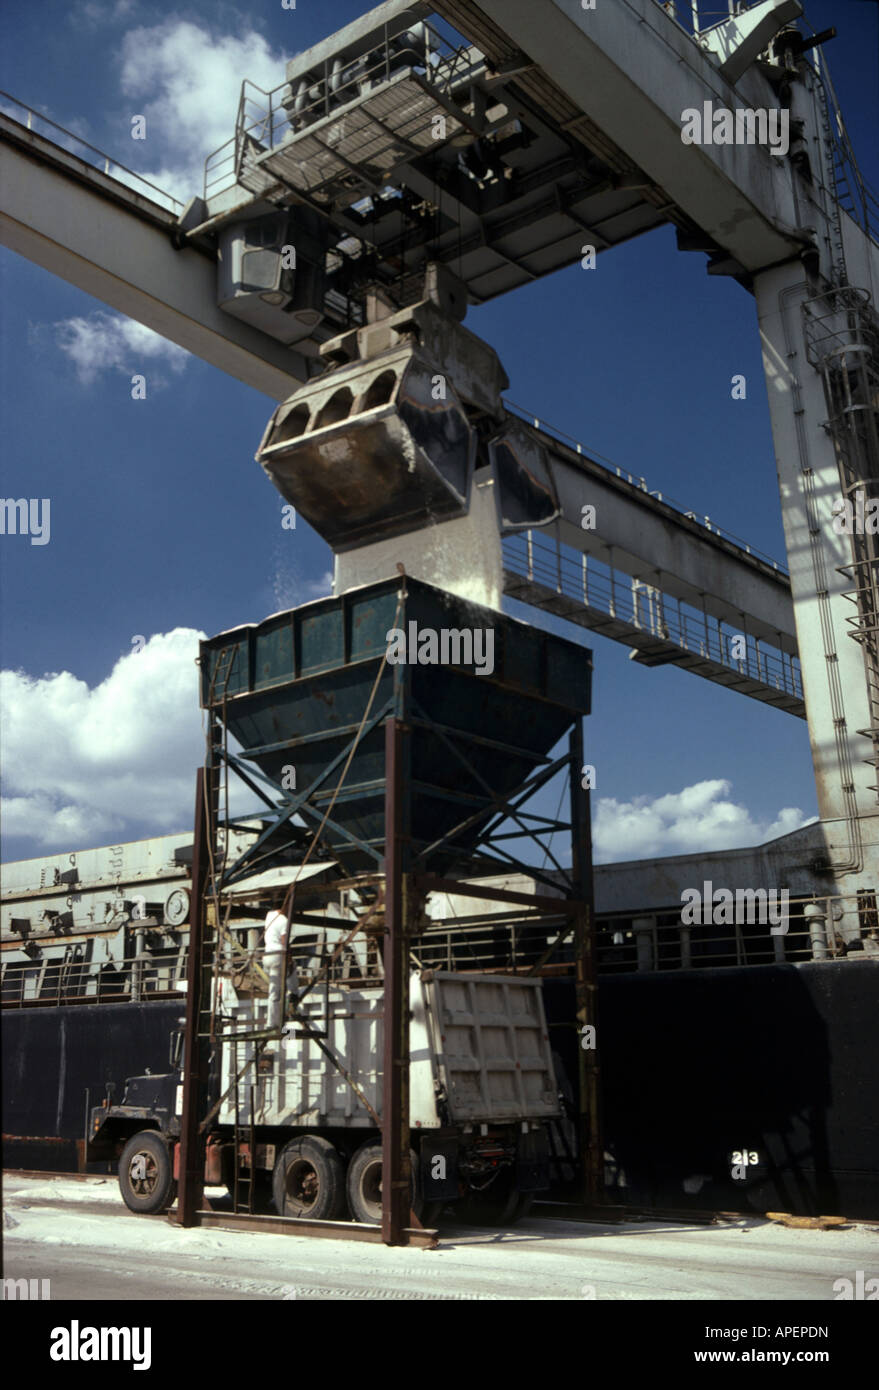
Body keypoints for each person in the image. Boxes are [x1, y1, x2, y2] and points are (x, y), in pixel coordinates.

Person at [264, 908, 292, 1029]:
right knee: (277, 991)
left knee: (274, 988)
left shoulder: (269, 915)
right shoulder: (284, 920)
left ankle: (272, 1021)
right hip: (277, 955)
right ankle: (273, 1022)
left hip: (266, 956)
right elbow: (284, 941)